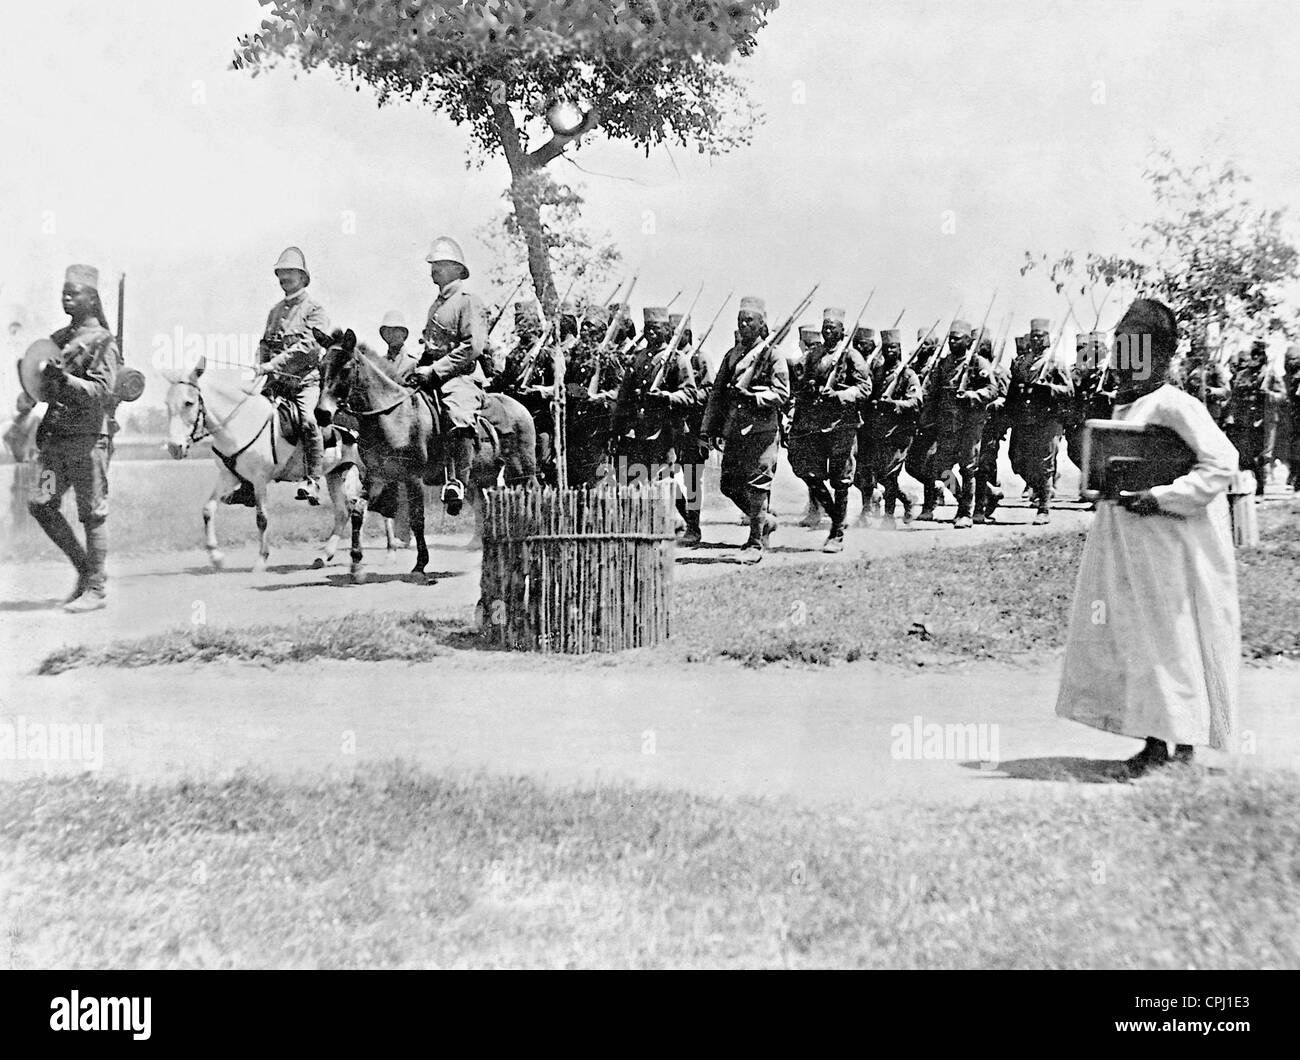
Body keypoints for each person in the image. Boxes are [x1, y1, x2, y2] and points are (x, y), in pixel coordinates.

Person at [1056, 298, 1240, 776]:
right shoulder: (1125, 404)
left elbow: (1221, 464)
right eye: (1122, 354)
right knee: (1138, 638)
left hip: (1171, 546)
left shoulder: (1177, 404)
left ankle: (1184, 746)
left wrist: (1161, 496)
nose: (1126, 366)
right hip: (1126, 543)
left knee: (1173, 638)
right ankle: (1155, 741)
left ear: (1160, 357)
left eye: (1138, 354)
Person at [27, 264, 121, 612]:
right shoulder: (59, 339)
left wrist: (65, 381)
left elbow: (102, 391)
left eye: (75, 291)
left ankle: (97, 589)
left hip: (88, 440)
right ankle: (86, 572)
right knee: (41, 503)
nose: (67, 295)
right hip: (56, 441)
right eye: (64, 289)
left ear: (92, 299)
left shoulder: (104, 342)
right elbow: (38, 384)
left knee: (92, 513)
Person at [701, 296, 791, 561]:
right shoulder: (732, 355)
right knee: (729, 484)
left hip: (762, 430)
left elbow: (782, 393)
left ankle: (754, 542)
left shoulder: (773, 355)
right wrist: (709, 429)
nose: (743, 324)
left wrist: (754, 396)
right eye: (740, 320)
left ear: (761, 324)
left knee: (757, 485)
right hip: (735, 430)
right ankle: (763, 521)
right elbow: (717, 395)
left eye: (749, 320)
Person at [406, 235, 487, 513]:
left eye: (439, 265)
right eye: (432, 265)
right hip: (432, 374)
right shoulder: (435, 306)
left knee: (458, 414)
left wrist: (436, 370)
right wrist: (417, 370)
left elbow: (472, 347)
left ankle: (458, 483)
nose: (433, 269)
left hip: (460, 376)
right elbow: (431, 347)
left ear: (455, 269)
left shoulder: (468, 302)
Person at [786, 307, 871, 551]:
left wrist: (839, 395)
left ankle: (837, 533)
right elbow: (799, 376)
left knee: (841, 478)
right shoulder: (815, 353)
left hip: (842, 424)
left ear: (843, 331)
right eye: (825, 326)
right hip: (815, 423)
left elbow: (864, 388)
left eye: (832, 327)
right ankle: (835, 516)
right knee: (808, 472)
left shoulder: (852, 356)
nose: (827, 330)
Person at [253, 246, 329, 504]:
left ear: (302, 277)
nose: (284, 278)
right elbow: (264, 344)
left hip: (306, 383)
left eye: (290, 273)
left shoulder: (314, 309)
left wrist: (272, 363)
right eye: (281, 274)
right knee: (249, 417)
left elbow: (308, 346)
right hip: (276, 385)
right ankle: (247, 481)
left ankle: (313, 480)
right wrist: (259, 364)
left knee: (308, 421)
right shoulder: (274, 311)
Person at [612, 307, 698, 517]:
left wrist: (666, 397)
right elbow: (624, 397)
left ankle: (682, 520)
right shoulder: (637, 358)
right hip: (636, 430)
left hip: (665, 431)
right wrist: (617, 428)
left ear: (667, 330)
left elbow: (690, 395)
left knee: (661, 478)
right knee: (634, 479)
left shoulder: (678, 359)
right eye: (648, 328)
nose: (650, 333)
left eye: (656, 328)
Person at [925, 320, 999, 528]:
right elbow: (934, 393)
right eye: (950, 338)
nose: (952, 342)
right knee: (942, 469)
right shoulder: (944, 364)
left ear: (967, 341)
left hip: (970, 422)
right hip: (948, 423)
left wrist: (971, 396)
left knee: (968, 468)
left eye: (957, 338)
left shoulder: (978, 362)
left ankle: (965, 512)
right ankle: (965, 497)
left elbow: (993, 390)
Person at [1007, 317, 1072, 524]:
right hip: (1024, 418)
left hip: (1047, 418)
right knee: (1017, 460)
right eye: (1033, 336)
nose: (1036, 339)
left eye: (1040, 336)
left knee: (1044, 463)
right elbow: (1013, 390)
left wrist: (1048, 390)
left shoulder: (1055, 361)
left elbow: (1069, 391)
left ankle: (1043, 508)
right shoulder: (1023, 362)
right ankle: (1039, 487)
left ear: (1048, 338)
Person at [863, 327, 923, 529]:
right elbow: (870, 395)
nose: (890, 351)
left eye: (894, 347)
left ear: (900, 348)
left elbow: (915, 402)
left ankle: (889, 518)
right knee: (877, 474)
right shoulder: (878, 373)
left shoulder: (908, 375)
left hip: (900, 432)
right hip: (878, 431)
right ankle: (906, 500)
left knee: (890, 475)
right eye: (886, 347)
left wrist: (895, 404)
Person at [563, 304, 624, 488]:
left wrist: (600, 397)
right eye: (584, 326)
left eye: (591, 326)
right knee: (573, 476)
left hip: (598, 426)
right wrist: (575, 391)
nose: (585, 330)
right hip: (574, 424)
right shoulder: (574, 355)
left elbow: (620, 389)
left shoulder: (608, 357)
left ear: (602, 331)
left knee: (597, 477)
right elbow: (566, 382)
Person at [671, 311, 712, 545]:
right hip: (672, 427)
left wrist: (688, 394)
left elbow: (710, 390)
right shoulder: (670, 358)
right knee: (664, 474)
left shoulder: (700, 358)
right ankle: (685, 517)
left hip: (694, 427)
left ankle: (694, 527)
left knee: (692, 479)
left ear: (687, 334)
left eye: (679, 334)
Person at [1225, 339, 1286, 497]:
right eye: (1253, 354)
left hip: (1266, 420)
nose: (1255, 357)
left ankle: (1261, 489)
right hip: (1246, 420)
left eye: (1258, 354)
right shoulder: (1243, 374)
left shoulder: (1270, 374)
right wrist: (1231, 416)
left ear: (1263, 356)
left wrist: (1268, 394)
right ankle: (1250, 485)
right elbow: (1235, 397)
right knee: (1247, 455)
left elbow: (1282, 396)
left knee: (1264, 456)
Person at [379, 310, 416, 376]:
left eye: (395, 330)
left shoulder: (413, 363)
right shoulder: (379, 363)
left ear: (404, 333)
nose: (391, 335)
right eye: (387, 331)